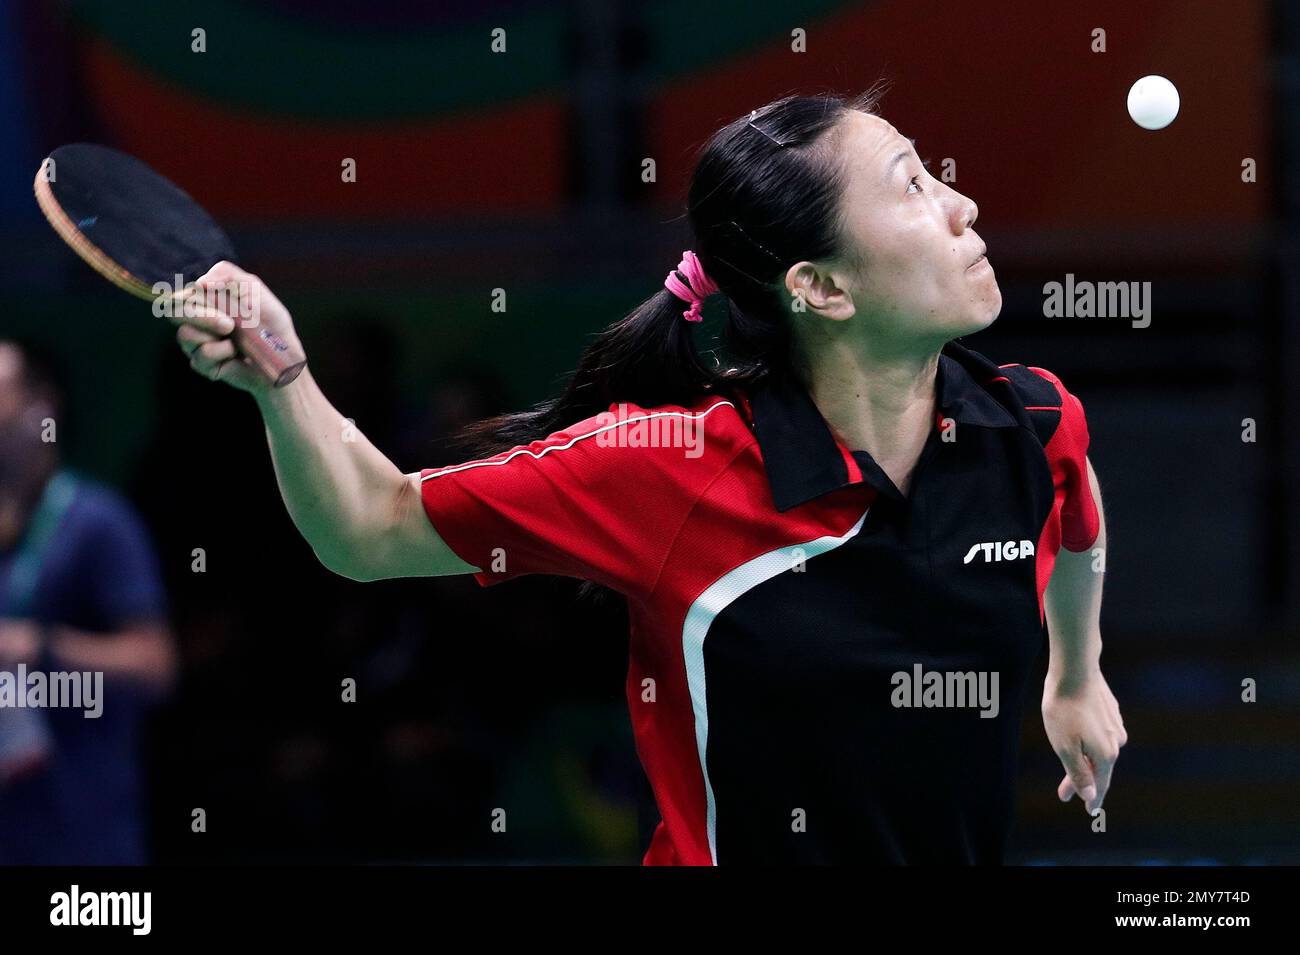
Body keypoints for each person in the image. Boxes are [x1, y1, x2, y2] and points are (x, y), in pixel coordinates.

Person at [169, 88, 1126, 865]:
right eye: (912, 186)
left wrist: (1074, 675)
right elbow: (370, 527)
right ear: (821, 287)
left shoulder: (1030, 422)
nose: (962, 206)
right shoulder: (671, 470)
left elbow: (1078, 525)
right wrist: (283, 382)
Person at [0, 340, 176, 864]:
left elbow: (156, 666)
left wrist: (38, 648)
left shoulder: (98, 522)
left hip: (80, 838)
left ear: (41, 407)